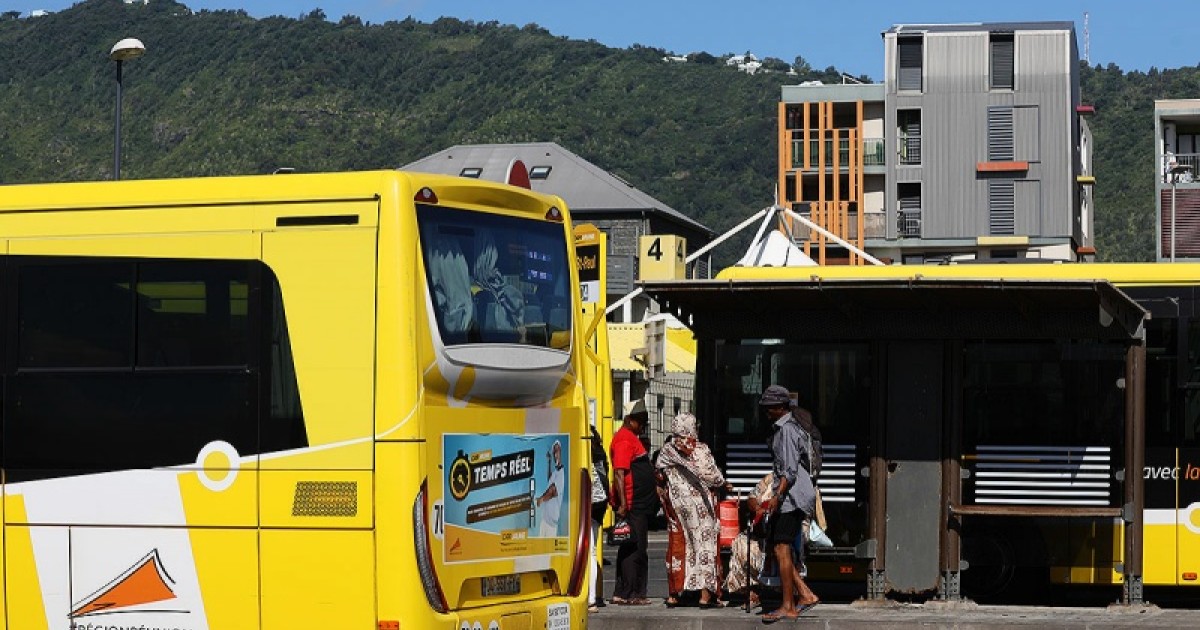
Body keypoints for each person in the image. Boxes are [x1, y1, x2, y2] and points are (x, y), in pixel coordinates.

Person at [758, 385, 819, 623]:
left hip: (792, 497)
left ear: (780, 407)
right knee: (778, 546)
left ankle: (788, 606)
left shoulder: (786, 431)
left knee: (782, 547)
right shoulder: (792, 428)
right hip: (794, 496)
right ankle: (805, 594)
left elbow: (789, 471)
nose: (766, 412)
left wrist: (775, 497)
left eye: (769, 407)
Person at [656, 412, 729, 608]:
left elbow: (660, 476)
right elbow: (712, 476)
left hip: (677, 507)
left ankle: (674, 594)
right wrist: (724, 483)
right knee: (703, 546)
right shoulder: (700, 449)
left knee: (679, 545)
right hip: (701, 508)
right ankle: (704, 596)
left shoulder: (667, 450)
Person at [610, 399, 654, 606]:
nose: (643, 425)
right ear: (629, 420)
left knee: (629, 546)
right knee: (636, 548)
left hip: (637, 501)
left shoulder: (630, 438)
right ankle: (633, 593)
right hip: (633, 502)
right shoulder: (624, 439)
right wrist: (623, 504)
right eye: (640, 421)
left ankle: (623, 592)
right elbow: (619, 473)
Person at [725, 473, 774, 609]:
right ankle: (752, 593)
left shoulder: (799, 480)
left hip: (786, 530)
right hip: (762, 529)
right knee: (741, 544)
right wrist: (757, 508)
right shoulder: (770, 479)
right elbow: (752, 496)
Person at [587, 426, 610, 613]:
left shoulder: (583, 453)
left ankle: (588, 597)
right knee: (592, 552)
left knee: (584, 553)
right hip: (599, 505)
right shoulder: (600, 453)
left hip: (585, 504)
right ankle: (592, 598)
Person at [536, 440, 564, 537]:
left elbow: (553, 490)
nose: (556, 454)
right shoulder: (556, 472)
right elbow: (550, 480)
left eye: (557, 450)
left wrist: (541, 499)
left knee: (549, 549)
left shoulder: (561, 473)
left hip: (551, 523)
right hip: (545, 518)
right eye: (554, 451)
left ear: (560, 452)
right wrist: (549, 462)